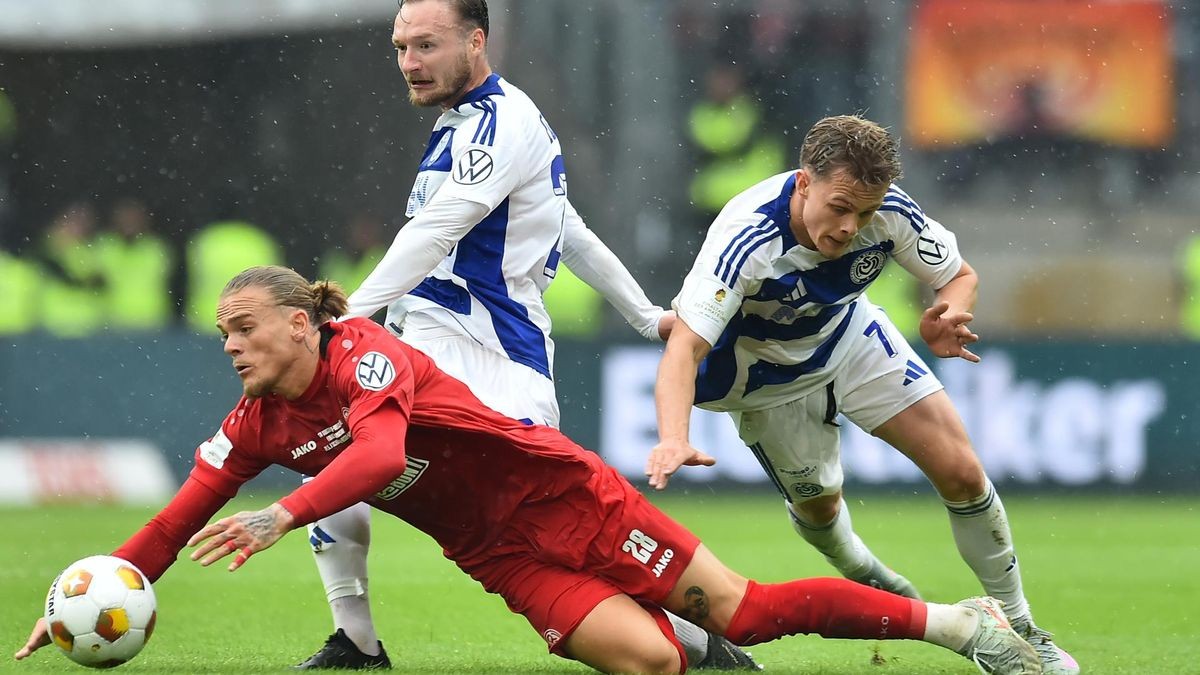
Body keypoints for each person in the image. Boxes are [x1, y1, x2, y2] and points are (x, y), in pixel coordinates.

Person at [12, 266, 1042, 675]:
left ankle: (964, 628)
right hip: (499, 551)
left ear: (300, 321)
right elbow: (172, 520)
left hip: (565, 498)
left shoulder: (368, 351)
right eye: (221, 334)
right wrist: (83, 598)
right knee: (653, 664)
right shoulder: (254, 424)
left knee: (752, 612)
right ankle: (700, 650)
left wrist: (287, 520)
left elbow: (376, 454)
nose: (230, 345)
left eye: (243, 328)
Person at [295, 0, 747, 670]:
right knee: (334, 451)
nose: (409, 64)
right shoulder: (462, 122)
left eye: (425, 46)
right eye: (400, 48)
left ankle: (702, 645)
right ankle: (356, 640)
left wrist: (352, 315)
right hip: (424, 346)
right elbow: (571, 227)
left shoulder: (505, 123)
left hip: (496, 364)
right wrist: (645, 313)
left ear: (477, 40)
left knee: (551, 545)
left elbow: (438, 228)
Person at [644, 115, 1078, 675]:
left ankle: (1022, 631)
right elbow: (683, 350)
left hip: (848, 338)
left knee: (963, 472)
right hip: (768, 381)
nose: (852, 227)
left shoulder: (889, 211)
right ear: (804, 183)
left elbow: (959, 275)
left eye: (865, 213)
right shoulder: (745, 240)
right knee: (821, 508)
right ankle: (862, 568)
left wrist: (950, 313)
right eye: (841, 207)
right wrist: (674, 438)